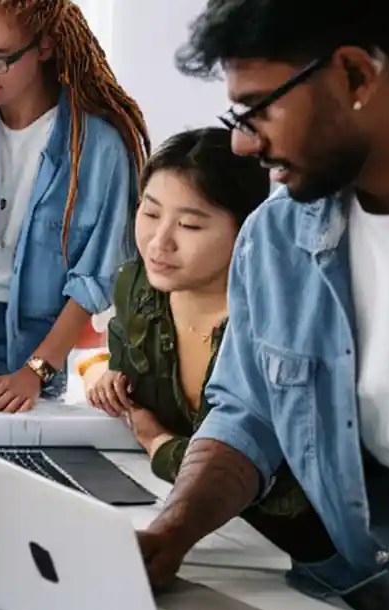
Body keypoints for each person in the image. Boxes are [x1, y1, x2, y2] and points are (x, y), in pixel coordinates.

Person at [138, 0, 389, 610]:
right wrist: (171, 532)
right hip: (361, 594)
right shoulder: (277, 235)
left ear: (356, 76)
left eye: (258, 108)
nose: (241, 142)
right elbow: (249, 412)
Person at [83, 128, 335, 565]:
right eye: (150, 212)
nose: (159, 242)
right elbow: (126, 384)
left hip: (294, 554)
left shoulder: (278, 319)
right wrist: (100, 373)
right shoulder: (139, 286)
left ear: (250, 228)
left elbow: (279, 485)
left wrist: (159, 443)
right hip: (195, 530)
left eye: (190, 225)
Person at [0, 0, 149, 411]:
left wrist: (36, 370)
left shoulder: (97, 146)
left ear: (45, 45)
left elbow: (95, 275)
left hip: (34, 341)